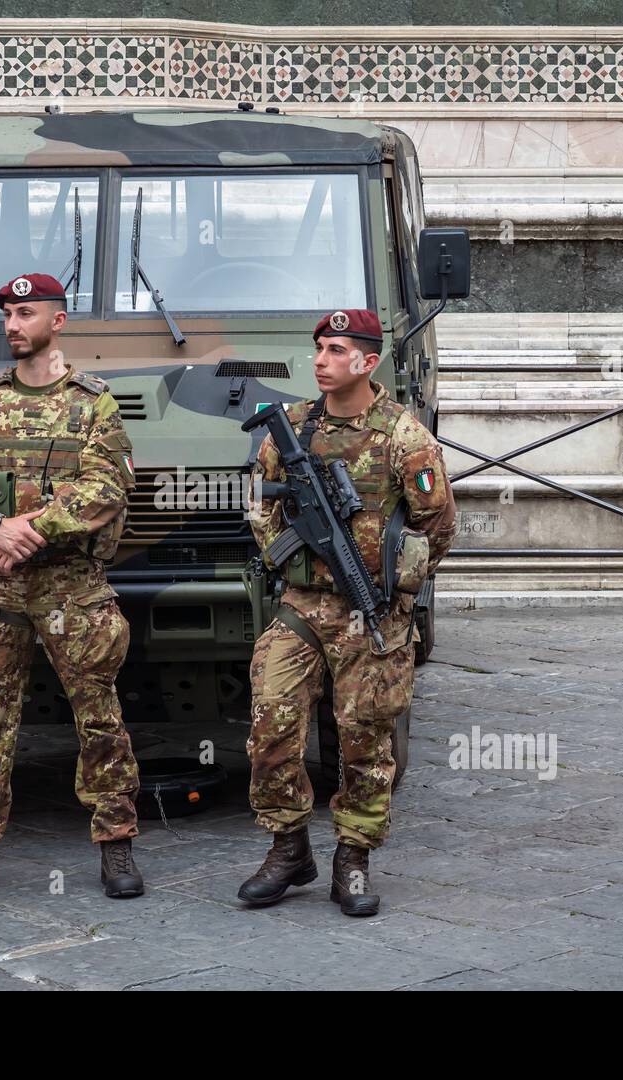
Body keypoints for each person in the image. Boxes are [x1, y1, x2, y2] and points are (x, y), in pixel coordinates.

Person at [0, 272, 143, 905]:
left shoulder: (95, 404)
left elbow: (105, 488)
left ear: (58, 321)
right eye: (7, 314)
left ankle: (116, 840)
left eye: (26, 313)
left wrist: (25, 533)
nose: (13, 325)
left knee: (99, 717)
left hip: (73, 590)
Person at [238, 308, 456, 916]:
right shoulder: (292, 429)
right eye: (319, 349)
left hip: (373, 611)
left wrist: (392, 583)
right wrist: (288, 550)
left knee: (366, 740)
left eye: (336, 350)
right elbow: (259, 500)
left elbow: (437, 526)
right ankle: (288, 849)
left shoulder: (402, 435)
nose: (321, 360)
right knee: (270, 723)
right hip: (303, 606)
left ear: (366, 360)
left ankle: (352, 859)